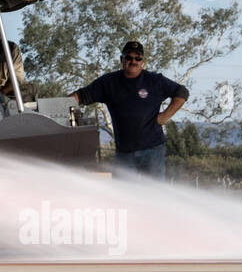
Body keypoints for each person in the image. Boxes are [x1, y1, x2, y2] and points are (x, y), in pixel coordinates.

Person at [70, 41, 188, 180]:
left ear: (142, 61)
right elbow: (81, 96)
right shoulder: (108, 82)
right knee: (122, 192)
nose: (133, 61)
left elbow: (182, 92)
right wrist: (59, 104)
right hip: (124, 154)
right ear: (121, 59)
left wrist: (165, 116)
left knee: (154, 191)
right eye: (129, 57)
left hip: (153, 150)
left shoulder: (155, 80)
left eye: (138, 58)